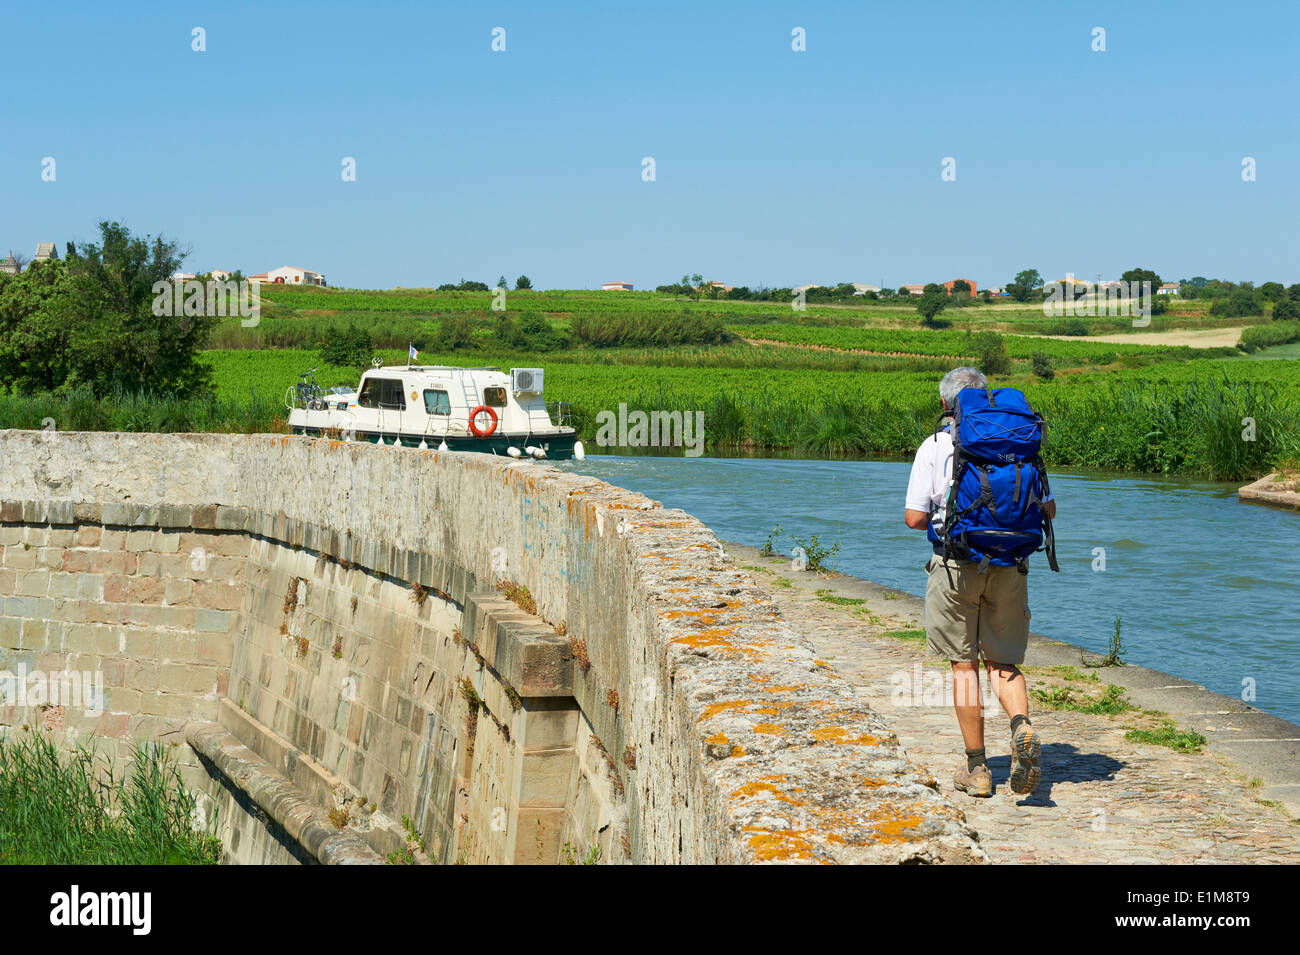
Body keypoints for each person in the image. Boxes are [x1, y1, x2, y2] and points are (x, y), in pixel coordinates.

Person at [903, 367, 1056, 797]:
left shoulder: (934, 446)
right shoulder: (1020, 444)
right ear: (988, 399)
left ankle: (978, 771)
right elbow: (1046, 509)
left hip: (956, 566)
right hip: (1010, 564)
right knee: (1003, 663)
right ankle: (1021, 726)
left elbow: (914, 517)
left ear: (945, 404)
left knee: (964, 665)